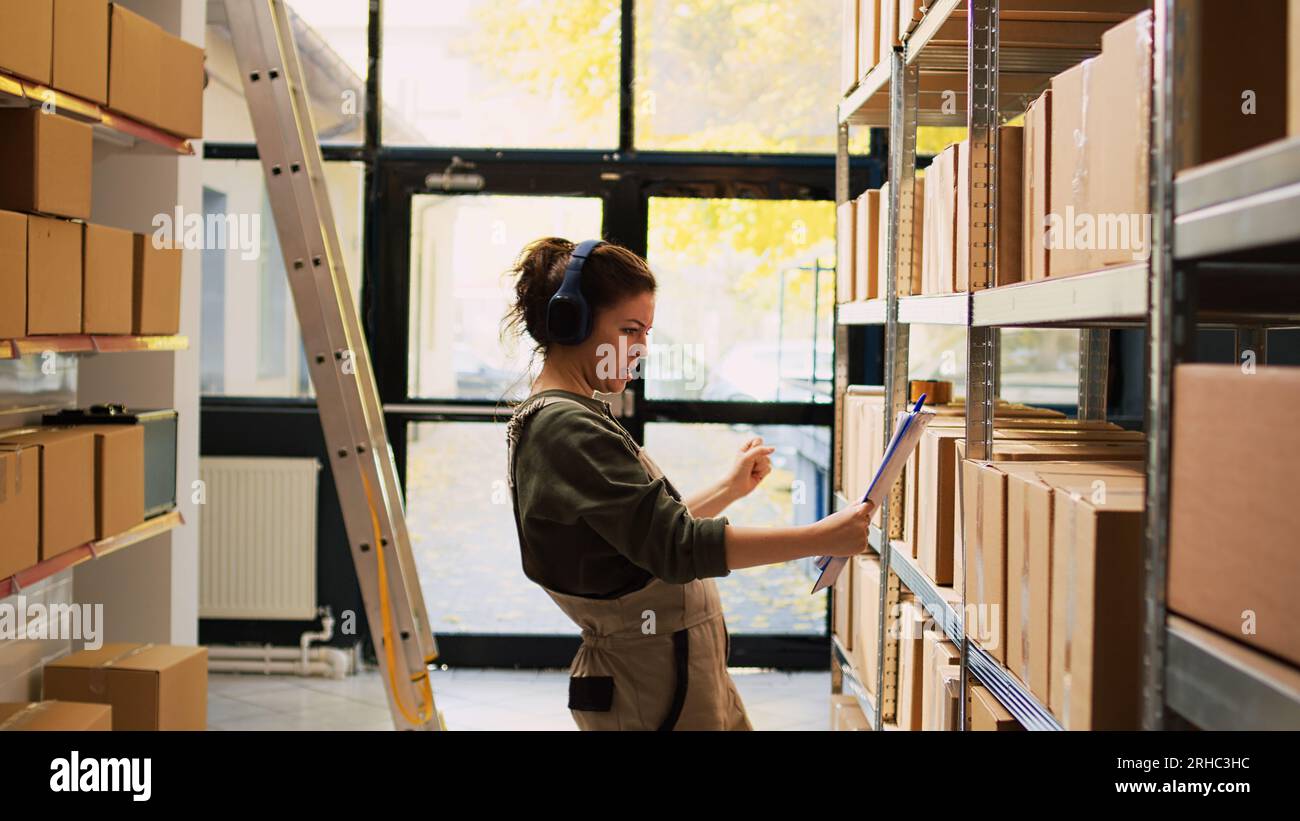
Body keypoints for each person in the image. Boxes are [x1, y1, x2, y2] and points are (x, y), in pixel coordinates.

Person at [502, 237, 874, 731]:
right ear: (572, 322)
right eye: (629, 330)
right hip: (652, 684)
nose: (641, 349)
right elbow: (677, 547)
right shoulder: (565, 428)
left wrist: (728, 489)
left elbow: (640, 533)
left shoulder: (574, 415)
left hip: (676, 669)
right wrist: (820, 539)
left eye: (646, 332)